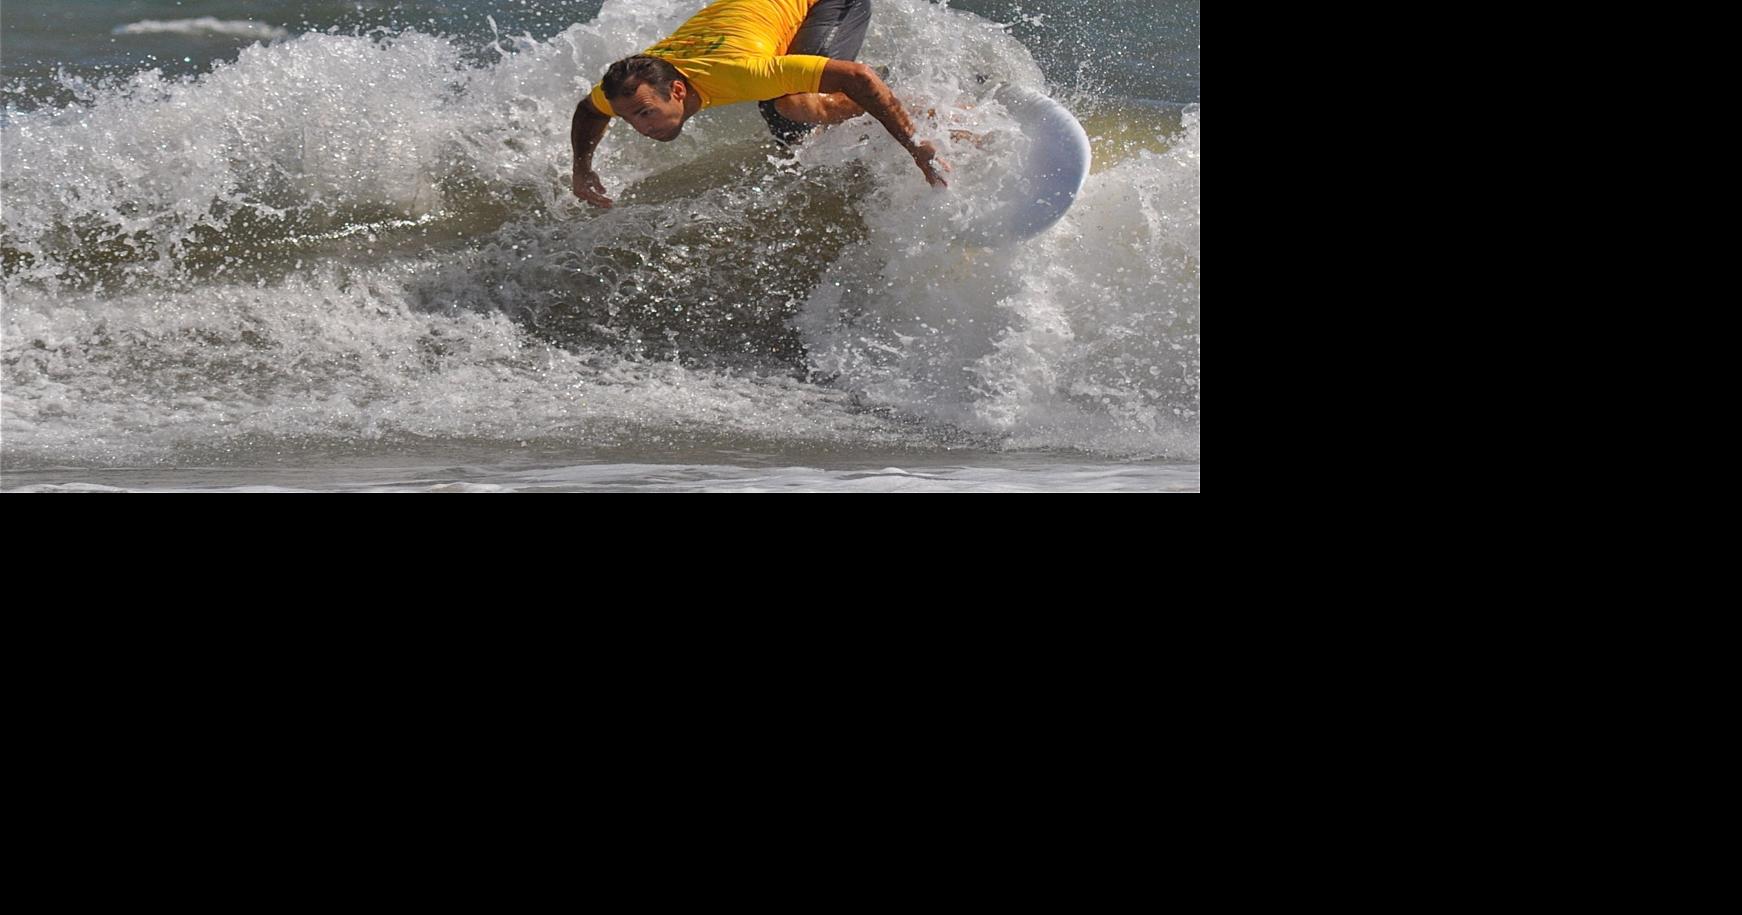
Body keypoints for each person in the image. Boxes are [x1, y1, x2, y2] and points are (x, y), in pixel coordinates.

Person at [569, 0, 947, 208]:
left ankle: (921, 107)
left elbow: (858, 75)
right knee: (790, 129)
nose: (641, 127)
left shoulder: (739, 73)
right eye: (630, 118)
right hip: (755, 16)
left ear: (679, 92)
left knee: (797, 105)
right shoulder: (630, 87)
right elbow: (589, 111)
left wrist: (916, 148)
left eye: (646, 114)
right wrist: (582, 169)